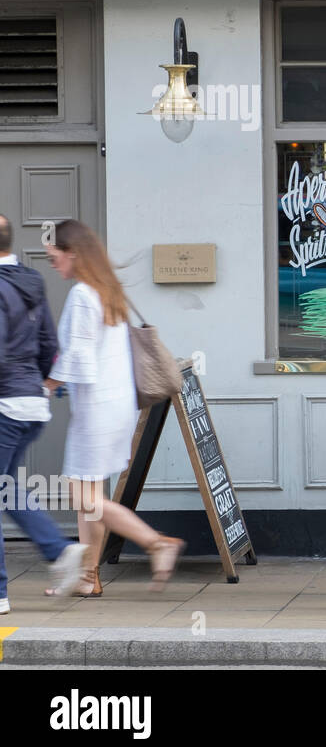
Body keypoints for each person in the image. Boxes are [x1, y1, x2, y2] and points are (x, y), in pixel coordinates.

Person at [43, 220, 185, 597]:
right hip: (118, 407)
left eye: (53, 255)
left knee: (83, 498)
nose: (51, 261)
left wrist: (48, 385)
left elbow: (78, 358)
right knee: (91, 498)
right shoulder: (108, 292)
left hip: (97, 411)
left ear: (71, 252)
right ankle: (88, 578)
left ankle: (157, 543)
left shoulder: (81, 295)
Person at [0, 215, 88, 611]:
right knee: (4, 489)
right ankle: (58, 550)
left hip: (5, 402)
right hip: (31, 404)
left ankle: (6, 587)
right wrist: (39, 385)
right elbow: (50, 342)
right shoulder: (30, 281)